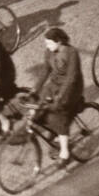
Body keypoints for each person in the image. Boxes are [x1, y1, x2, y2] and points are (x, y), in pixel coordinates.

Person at [31, 28, 84, 169]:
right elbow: (46, 70)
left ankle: (65, 153)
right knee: (39, 109)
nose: (47, 46)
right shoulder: (49, 51)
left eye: (49, 43)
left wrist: (60, 97)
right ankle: (55, 135)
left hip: (71, 89)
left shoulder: (71, 52)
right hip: (54, 85)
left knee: (59, 114)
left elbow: (71, 78)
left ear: (59, 41)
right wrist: (35, 89)